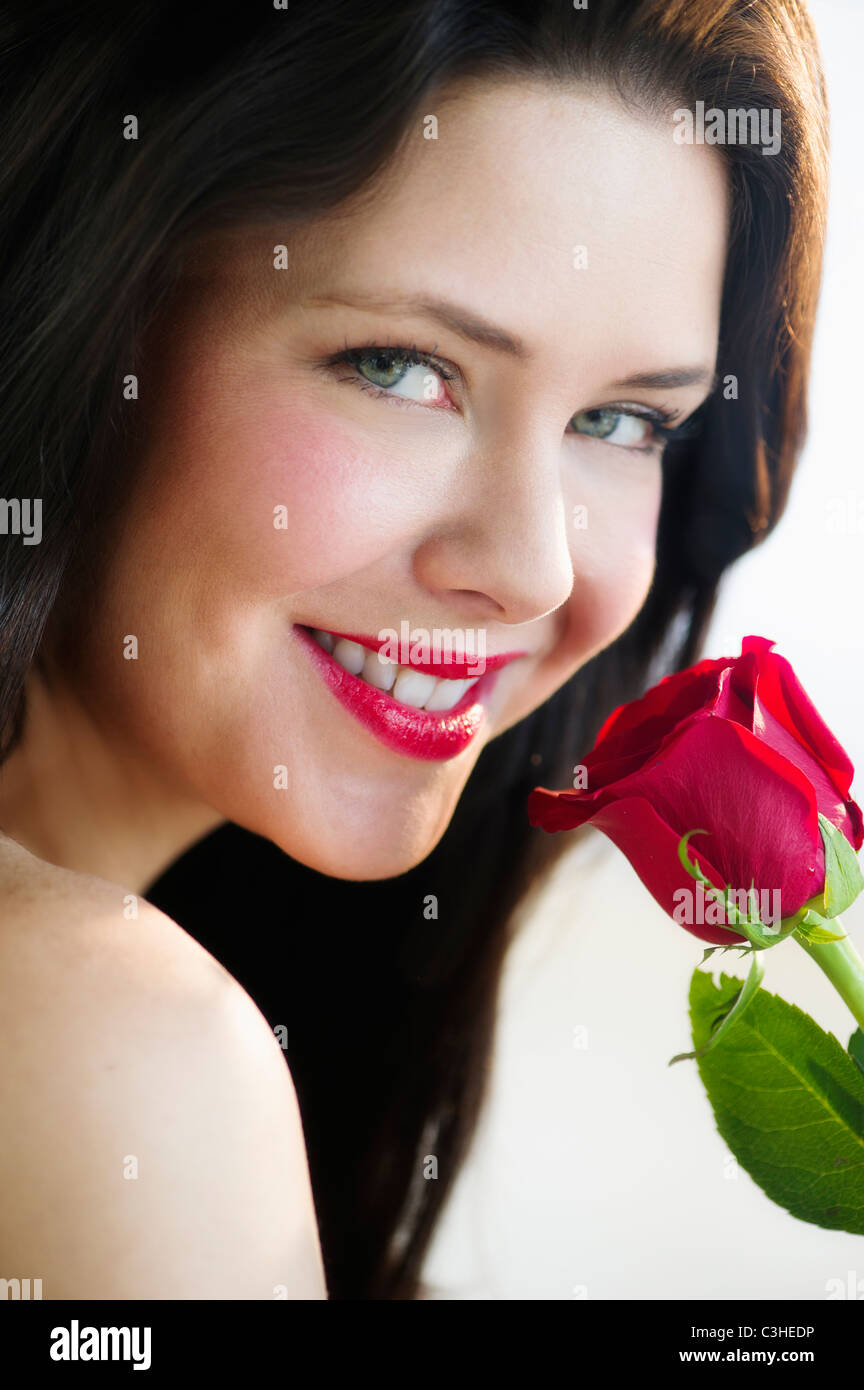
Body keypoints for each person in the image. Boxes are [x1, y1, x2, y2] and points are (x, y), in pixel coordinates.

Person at [0, 0, 828, 1299]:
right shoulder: (116, 1049)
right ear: (87, 310)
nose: (535, 569)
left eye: (621, 419)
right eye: (399, 367)